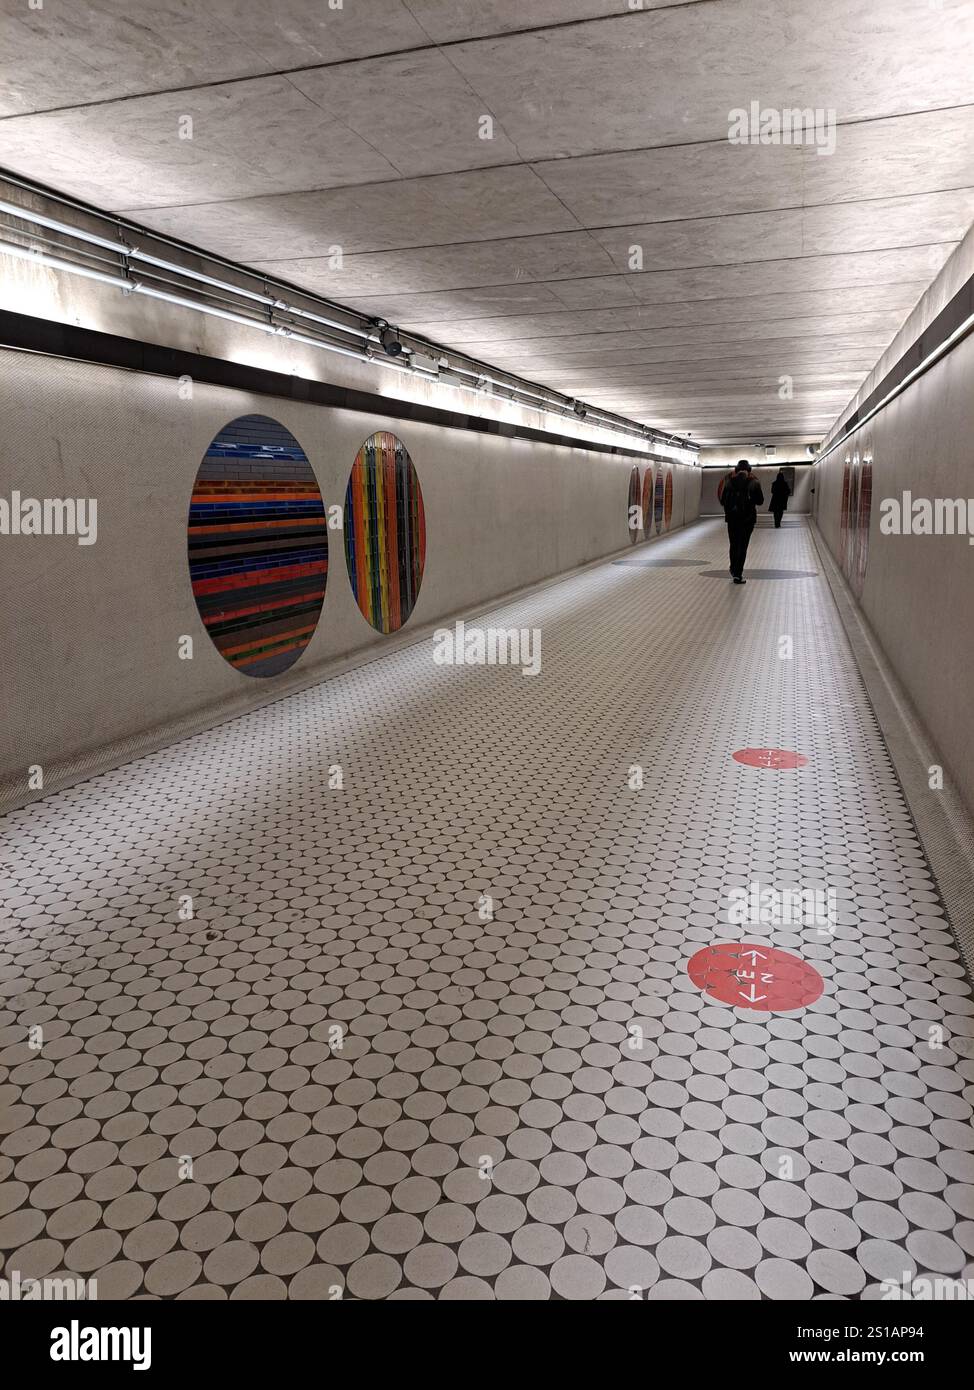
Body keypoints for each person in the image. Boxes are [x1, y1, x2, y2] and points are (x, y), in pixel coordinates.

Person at [722, 460, 764, 584]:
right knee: (743, 545)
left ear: (736, 469)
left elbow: (723, 500)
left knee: (734, 544)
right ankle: (738, 574)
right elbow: (760, 501)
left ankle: (733, 568)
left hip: (732, 519)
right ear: (749, 470)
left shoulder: (729, 483)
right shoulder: (754, 483)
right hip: (747, 519)